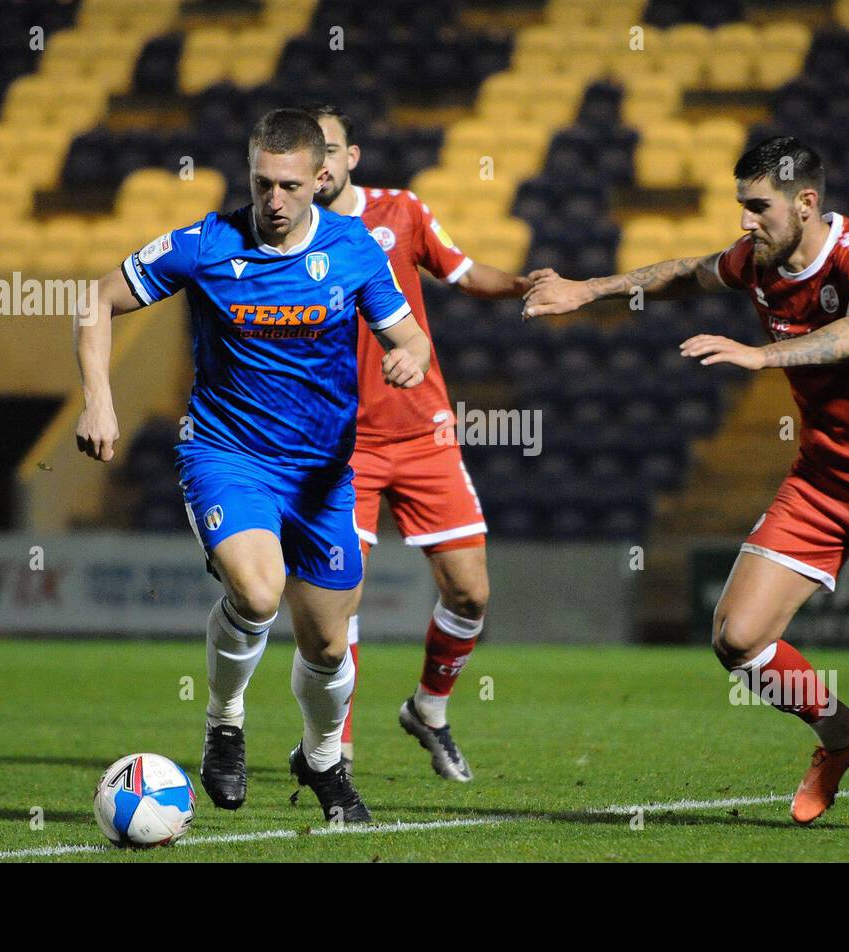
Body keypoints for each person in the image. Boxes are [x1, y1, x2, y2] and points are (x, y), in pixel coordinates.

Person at [523, 135, 849, 832]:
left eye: (759, 207)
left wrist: (763, 357)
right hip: (823, 478)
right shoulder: (757, 260)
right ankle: (841, 735)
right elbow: (687, 273)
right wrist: (589, 289)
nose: (745, 222)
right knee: (738, 637)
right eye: (742, 206)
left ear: (806, 202)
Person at [74, 108, 431, 824]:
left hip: (322, 476)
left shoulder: (355, 249)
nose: (273, 200)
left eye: (289, 186)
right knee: (260, 592)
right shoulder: (207, 245)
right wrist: (99, 402)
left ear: (321, 178)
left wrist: (409, 358)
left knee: (328, 643)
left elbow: (411, 337)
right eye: (262, 183)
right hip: (226, 455)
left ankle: (321, 761)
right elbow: (98, 298)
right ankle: (225, 723)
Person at [308, 104, 529, 781]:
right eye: (307, 153)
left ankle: (429, 709)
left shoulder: (401, 212)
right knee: (339, 603)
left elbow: (464, 273)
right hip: (341, 444)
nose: (319, 164)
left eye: (330, 149)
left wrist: (524, 286)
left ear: (352, 156)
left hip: (424, 431)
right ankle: (335, 750)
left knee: (470, 593)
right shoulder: (283, 235)